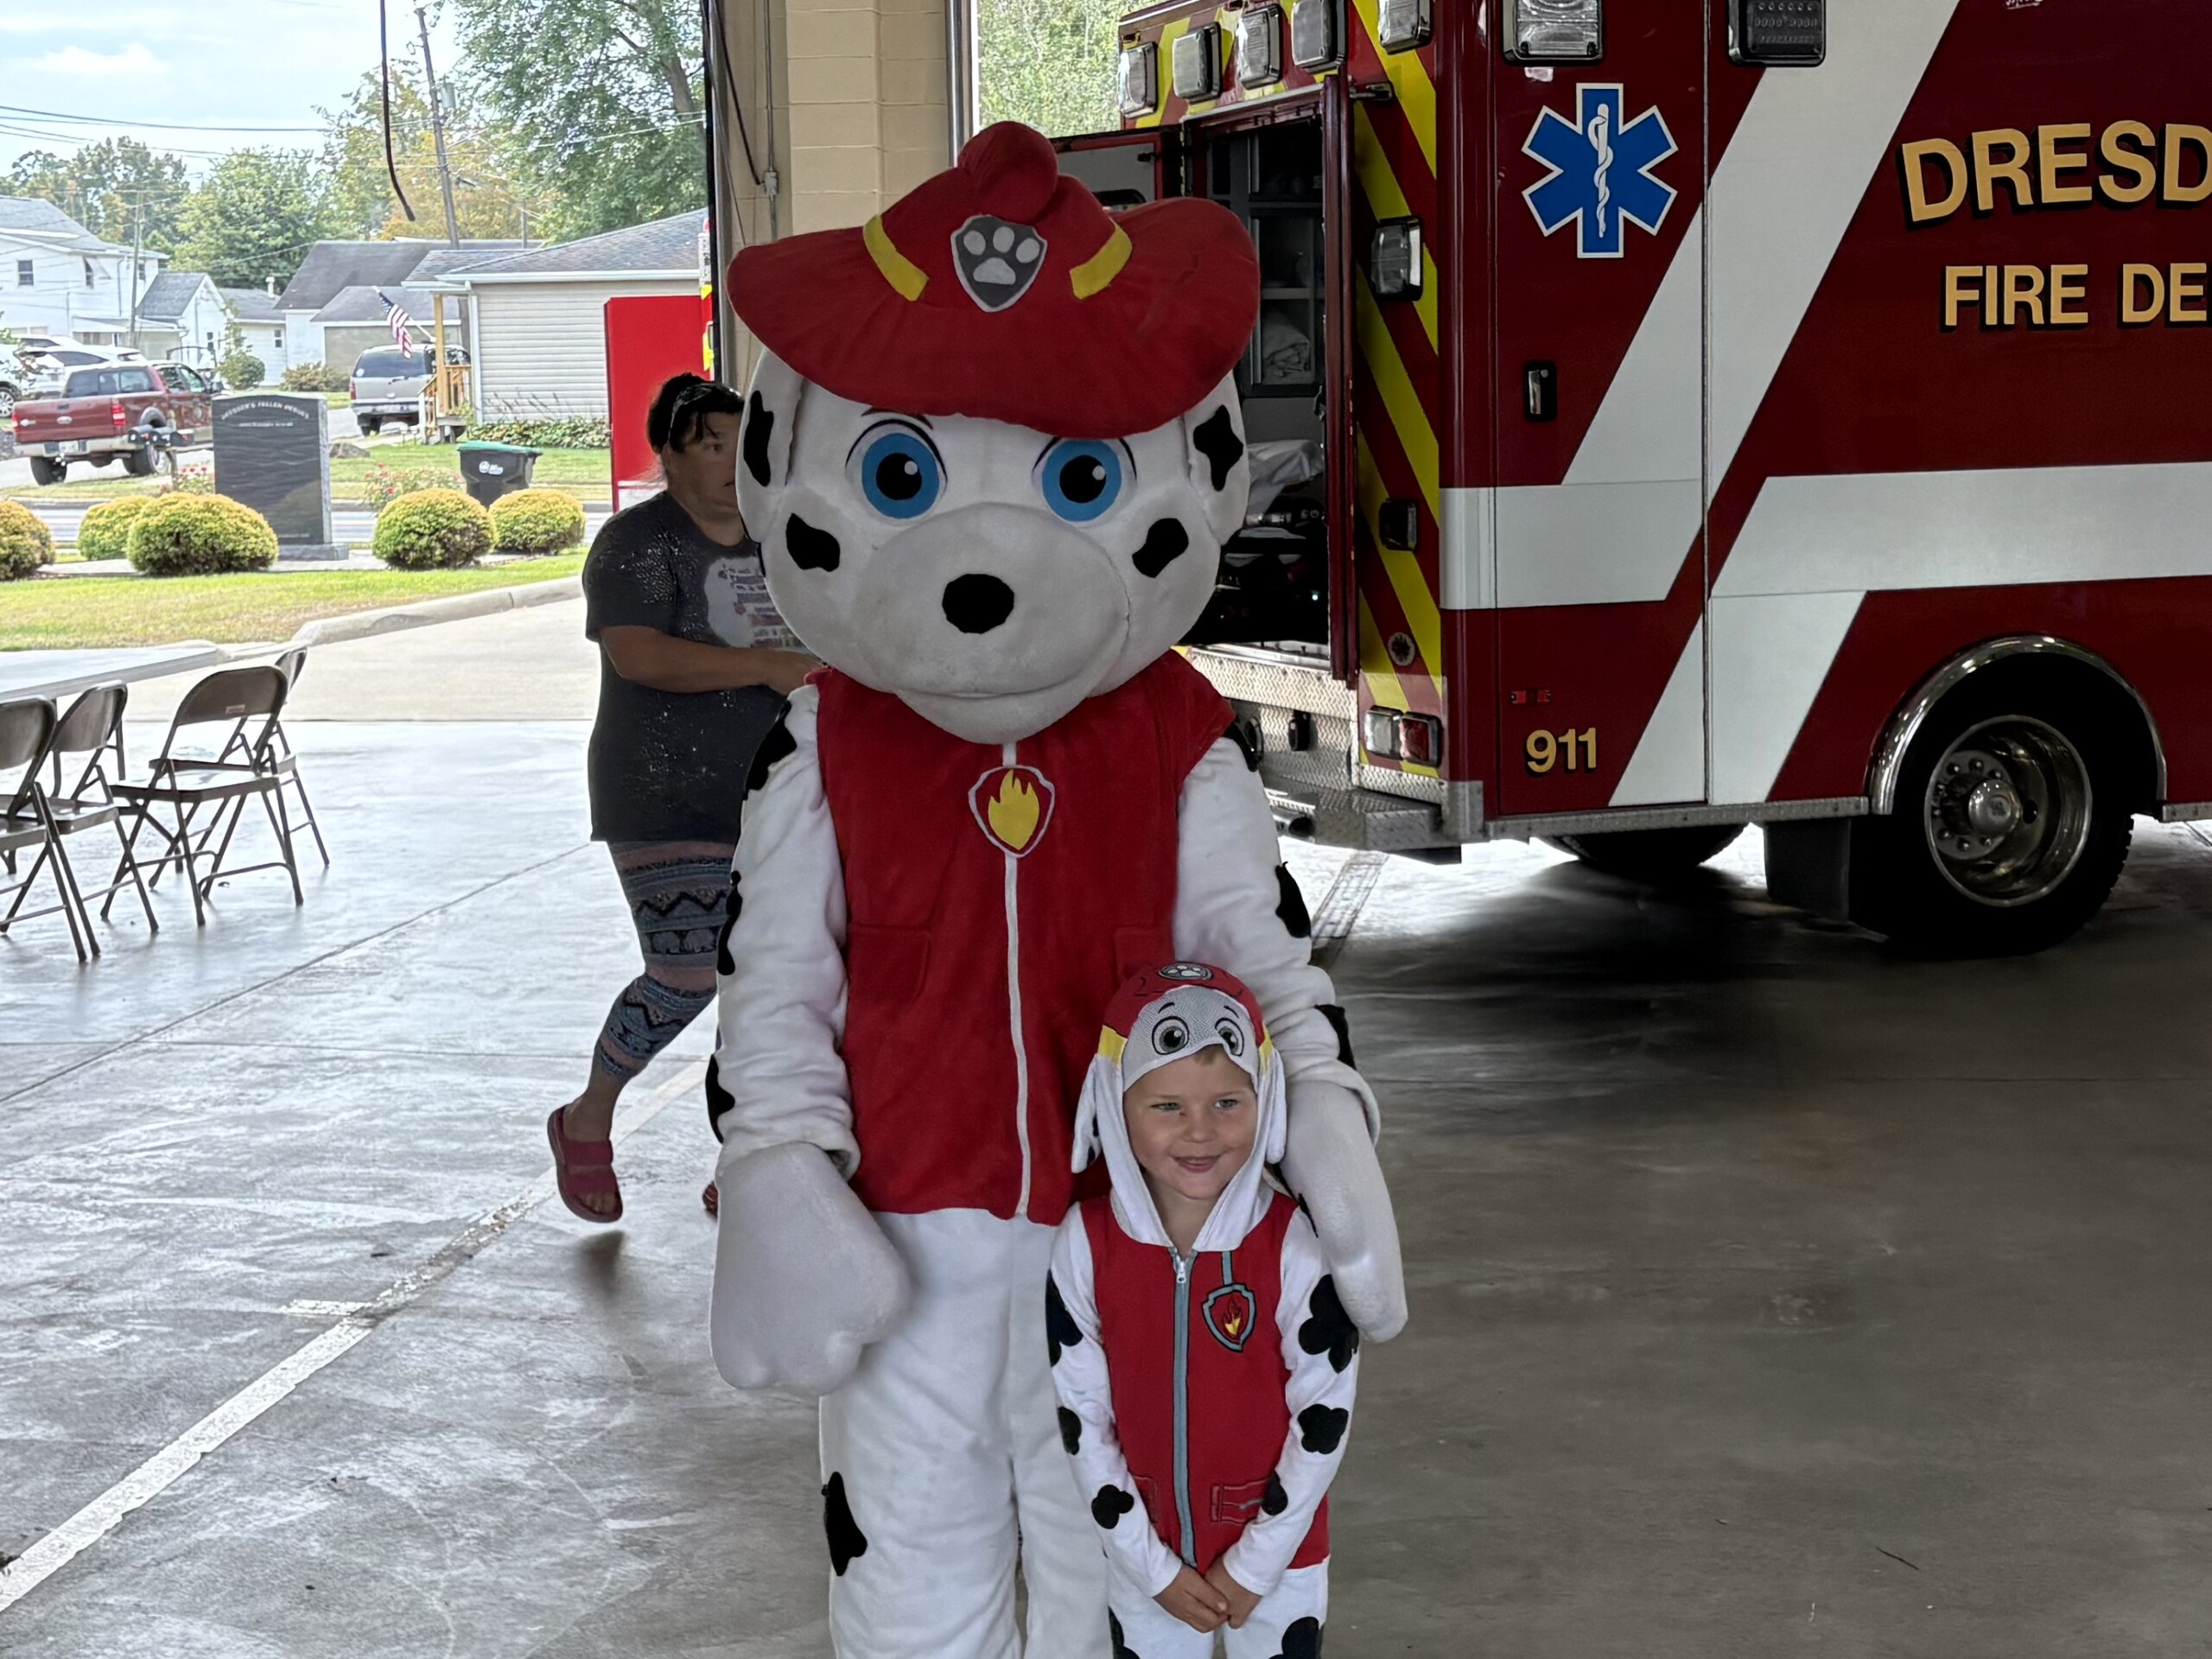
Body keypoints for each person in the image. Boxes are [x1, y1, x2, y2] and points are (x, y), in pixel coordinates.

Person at [547, 372, 815, 1224]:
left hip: (782, 788)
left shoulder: (787, 541)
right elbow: (641, 657)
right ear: (667, 452)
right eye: (709, 445)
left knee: (777, 977)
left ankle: (750, 1152)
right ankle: (588, 1118)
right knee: (688, 970)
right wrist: (770, 667)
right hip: (662, 789)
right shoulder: (633, 543)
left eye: (743, 445)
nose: (729, 462)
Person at [1048, 963, 1359, 1658]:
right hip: (1146, 1563)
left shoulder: (1295, 1243)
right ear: (1114, 1103)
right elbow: (1083, 1422)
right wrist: (1151, 1570)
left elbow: (1324, 1418)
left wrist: (1255, 1565)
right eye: (1167, 1106)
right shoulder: (1085, 1245)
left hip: (1281, 1562)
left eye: (1227, 1102)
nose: (1200, 1132)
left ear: (1264, 1096)